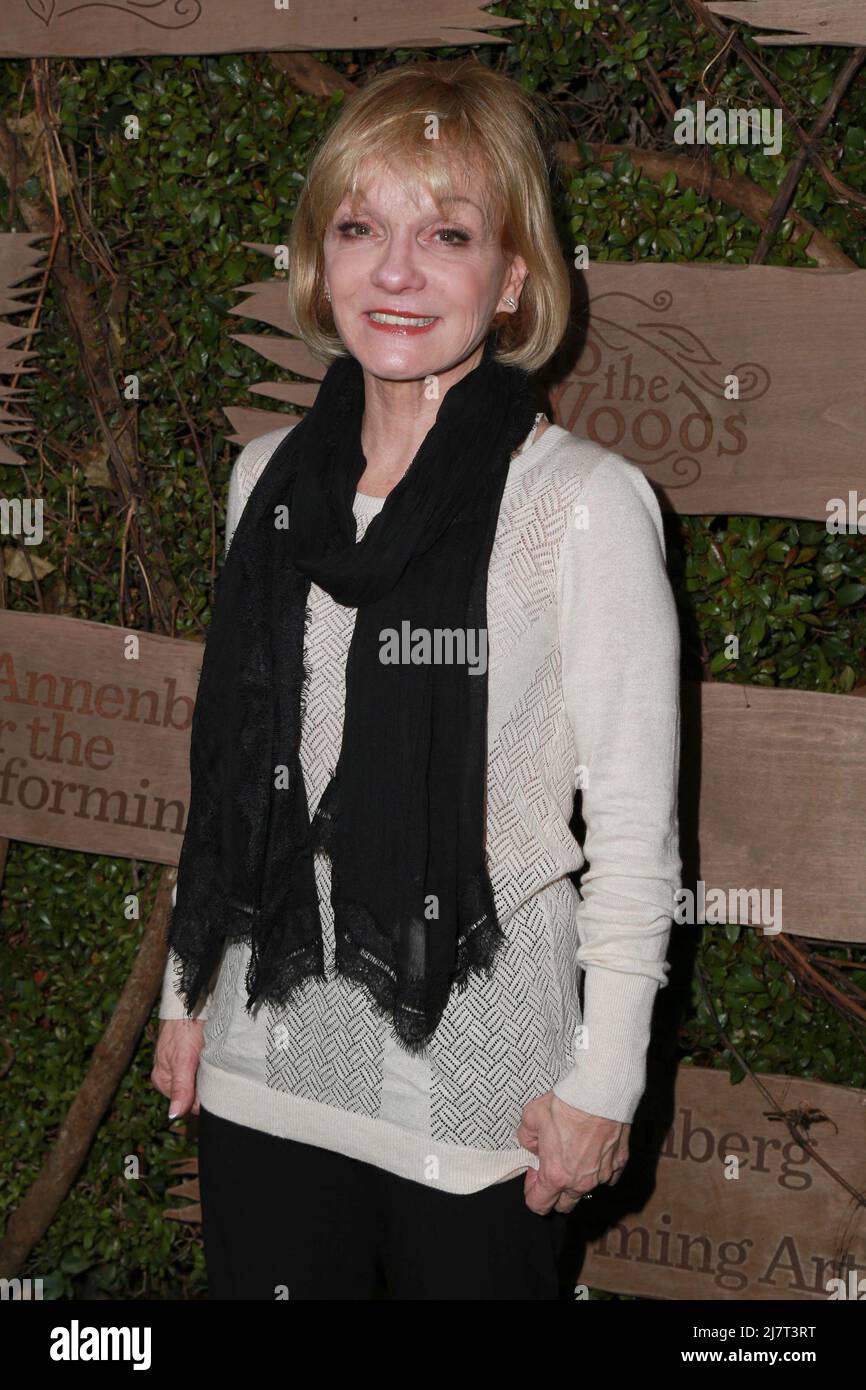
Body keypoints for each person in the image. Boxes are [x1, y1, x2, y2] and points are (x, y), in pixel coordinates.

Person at [151, 57, 682, 1301]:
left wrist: (604, 1085)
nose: (395, 272)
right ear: (318, 256)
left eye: (445, 233)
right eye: (359, 227)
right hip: (260, 1058)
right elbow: (232, 770)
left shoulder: (581, 507)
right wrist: (187, 996)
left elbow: (633, 834)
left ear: (510, 280)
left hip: (478, 1094)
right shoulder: (267, 481)